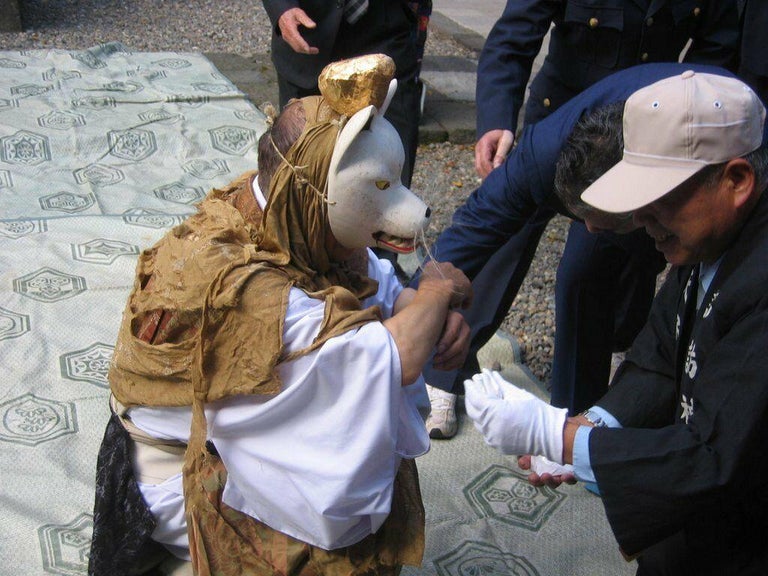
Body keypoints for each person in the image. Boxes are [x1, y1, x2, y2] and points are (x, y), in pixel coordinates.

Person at [87, 55, 472, 576]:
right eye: (380, 188)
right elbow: (394, 359)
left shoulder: (281, 207)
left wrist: (423, 308)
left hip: (229, 432)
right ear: (317, 191)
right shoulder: (245, 290)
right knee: (344, 549)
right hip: (179, 472)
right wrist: (438, 289)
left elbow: (377, 287)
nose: (412, 205)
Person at [464, 71, 768, 574]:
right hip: (700, 517)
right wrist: (594, 426)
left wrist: (558, 436)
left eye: (661, 196)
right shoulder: (710, 238)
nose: (643, 217)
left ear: (736, 180)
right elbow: (662, 356)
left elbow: (722, 455)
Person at [425, 0, 744, 438]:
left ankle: (577, 417)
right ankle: (441, 372)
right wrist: (412, 304)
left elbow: (718, 45)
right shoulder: (541, 154)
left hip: (646, 143)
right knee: (499, 242)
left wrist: (685, 125)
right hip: (566, 121)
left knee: (586, 275)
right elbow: (515, 35)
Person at [262, 0, 431, 189]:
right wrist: (281, 8)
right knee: (302, 177)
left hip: (388, 28)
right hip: (307, 32)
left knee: (392, 171)